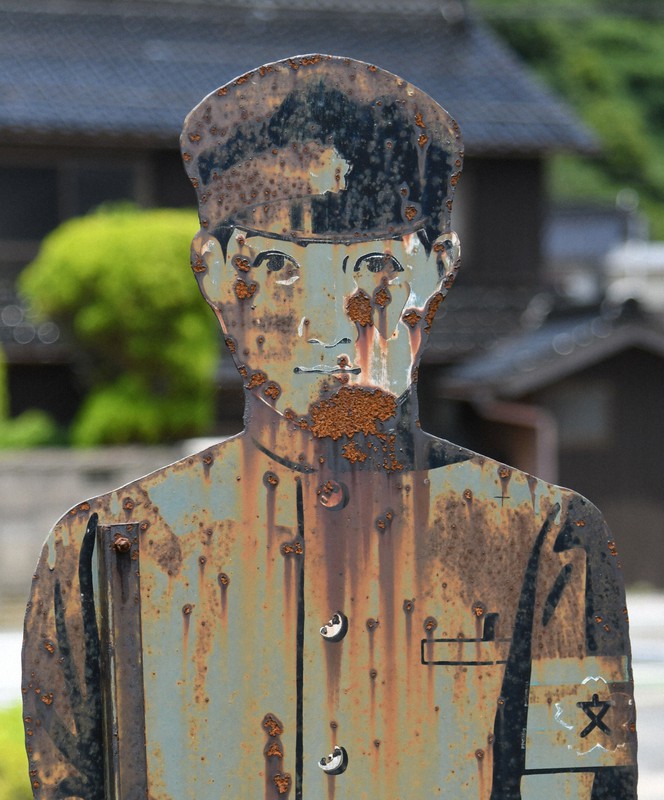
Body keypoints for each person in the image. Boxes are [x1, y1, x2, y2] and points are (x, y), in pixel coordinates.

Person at [22, 55, 636, 800]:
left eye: (374, 265)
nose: (327, 320)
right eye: (278, 264)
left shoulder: (544, 539)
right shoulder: (106, 548)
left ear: (437, 271)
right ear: (215, 274)